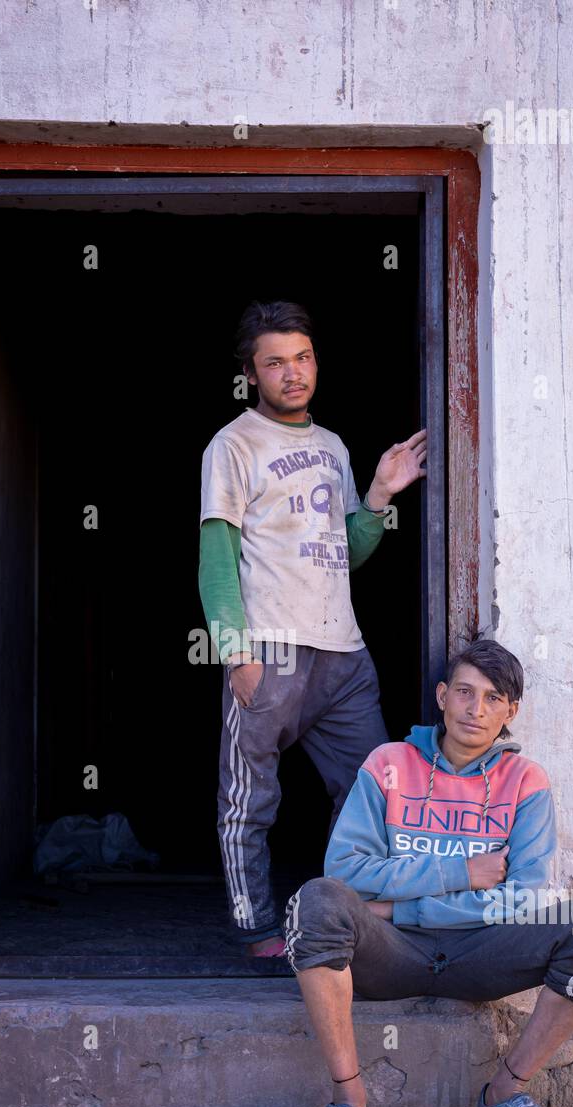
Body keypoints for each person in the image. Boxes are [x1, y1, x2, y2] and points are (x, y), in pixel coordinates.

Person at [283, 637, 573, 1107]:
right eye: (465, 692)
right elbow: (347, 871)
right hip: (390, 952)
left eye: (493, 698)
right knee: (318, 901)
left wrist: (400, 903)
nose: (476, 708)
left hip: (483, 954)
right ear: (443, 696)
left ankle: (506, 1091)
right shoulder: (389, 764)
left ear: (511, 711)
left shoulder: (525, 780)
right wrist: (463, 871)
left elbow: (526, 898)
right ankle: (348, 1103)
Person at [198, 299, 426, 965]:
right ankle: (257, 930)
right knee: (249, 802)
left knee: (374, 795)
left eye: (301, 358)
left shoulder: (331, 447)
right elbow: (215, 559)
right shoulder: (233, 445)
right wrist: (234, 650)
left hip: (344, 656)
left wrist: (380, 495)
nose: (291, 373)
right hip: (268, 648)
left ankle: (333, 914)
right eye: (275, 363)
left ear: (315, 362)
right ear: (251, 373)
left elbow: (347, 551)